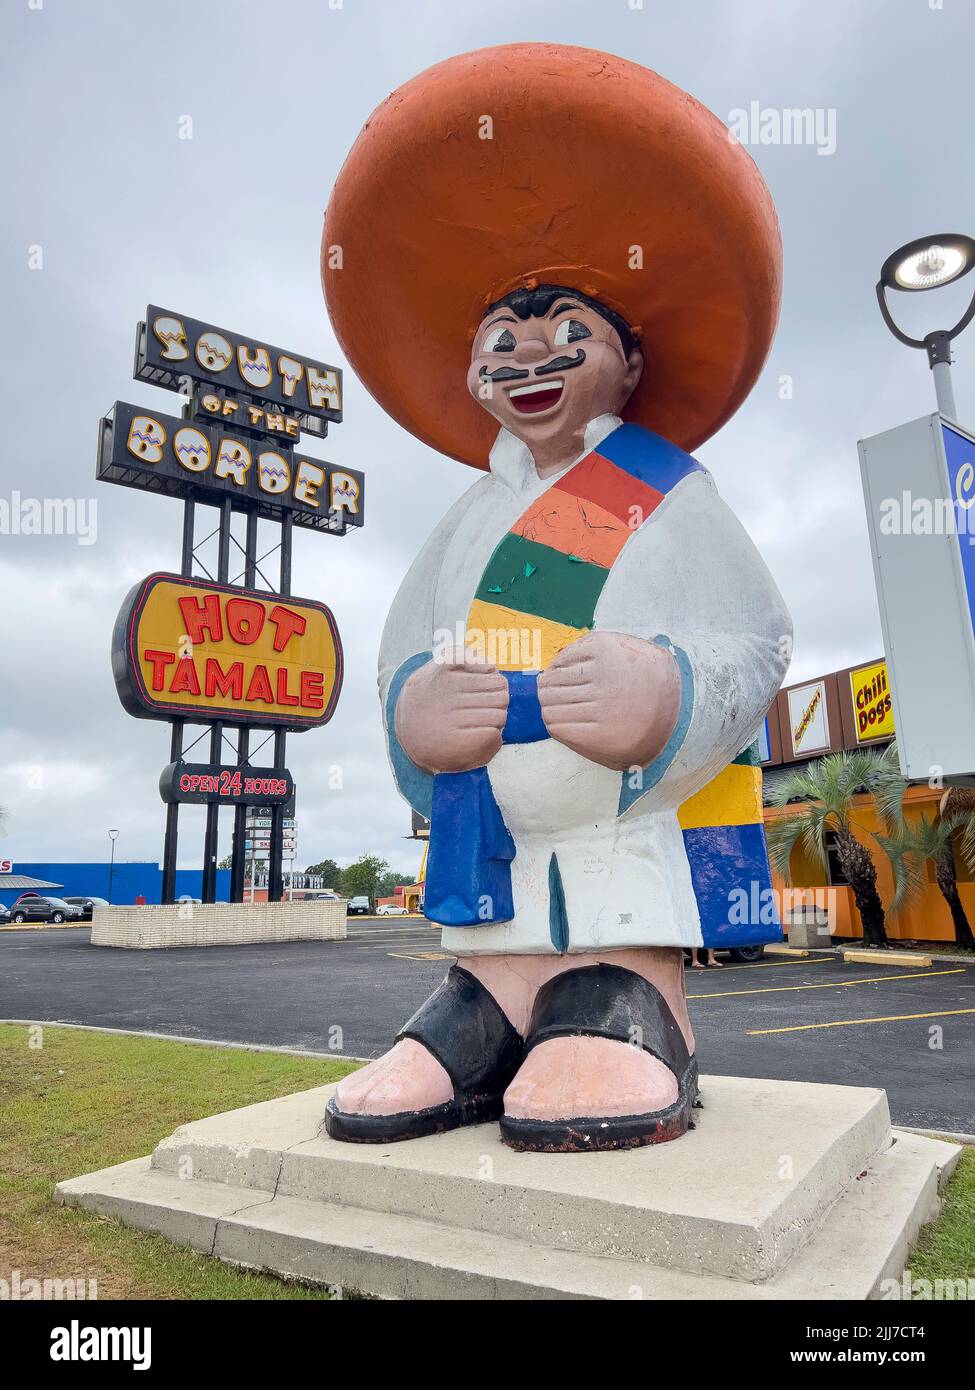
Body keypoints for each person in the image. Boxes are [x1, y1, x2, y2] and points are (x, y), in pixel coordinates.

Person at [321, 44, 790, 1152]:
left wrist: (668, 689)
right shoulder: (468, 511)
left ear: (627, 363)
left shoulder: (664, 488)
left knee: (608, 915)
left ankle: (630, 1005)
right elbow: (401, 646)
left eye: (567, 333)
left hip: (624, 823)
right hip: (487, 817)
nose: (532, 356)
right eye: (504, 341)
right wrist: (411, 713)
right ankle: (488, 1009)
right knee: (494, 935)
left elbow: (758, 632)